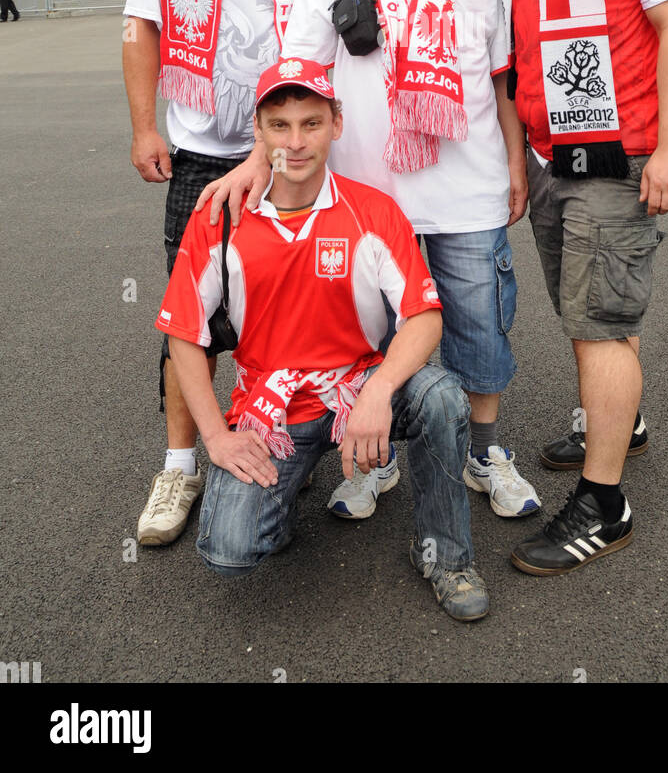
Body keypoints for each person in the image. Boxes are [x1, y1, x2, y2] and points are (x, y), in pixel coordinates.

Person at [199, 0, 542, 523]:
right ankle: (375, 458)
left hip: (469, 181)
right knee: (373, 333)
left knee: (479, 325)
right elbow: (297, 71)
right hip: (366, 188)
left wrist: (516, 165)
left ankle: (483, 452)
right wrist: (258, 158)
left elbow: (500, 75)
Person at [159, 58, 488, 621]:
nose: (296, 141)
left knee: (440, 397)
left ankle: (447, 557)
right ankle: (286, 492)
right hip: (275, 409)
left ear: (337, 123)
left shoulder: (373, 209)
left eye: (311, 123)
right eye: (279, 126)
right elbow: (185, 336)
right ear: (258, 134)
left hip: (357, 388)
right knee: (229, 552)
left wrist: (381, 390)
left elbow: (424, 316)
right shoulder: (221, 216)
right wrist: (215, 438)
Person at [478, 0, 668, 578]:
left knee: (595, 323)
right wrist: (515, 160)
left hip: (615, 160)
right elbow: (510, 61)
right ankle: (620, 421)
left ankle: (605, 506)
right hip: (546, 161)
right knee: (589, 311)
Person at [122, 0, 345, 547]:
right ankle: (180, 464)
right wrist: (146, 125)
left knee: (297, 304)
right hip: (198, 150)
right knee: (191, 315)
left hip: (293, 149)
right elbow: (141, 27)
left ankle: (299, 439)